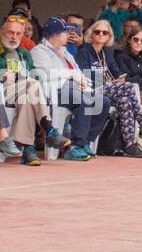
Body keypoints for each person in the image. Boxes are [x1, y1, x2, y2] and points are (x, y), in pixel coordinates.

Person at [77, 20, 142, 157]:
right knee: (128, 87)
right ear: (91, 34)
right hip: (89, 89)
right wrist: (112, 81)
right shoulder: (85, 50)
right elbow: (85, 75)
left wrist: (120, 79)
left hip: (106, 90)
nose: (100, 34)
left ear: (109, 36)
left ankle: (130, 145)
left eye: (104, 32)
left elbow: (117, 73)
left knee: (125, 100)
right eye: (97, 32)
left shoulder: (107, 51)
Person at [30, 17, 107, 161]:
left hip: (73, 88)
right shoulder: (39, 51)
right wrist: (72, 76)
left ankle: (86, 142)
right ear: (54, 35)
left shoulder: (64, 51)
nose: (69, 35)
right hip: (55, 91)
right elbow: (45, 74)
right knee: (85, 101)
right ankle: (75, 147)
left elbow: (76, 70)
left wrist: (83, 80)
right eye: (65, 32)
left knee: (104, 102)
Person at [0, 15, 68, 165]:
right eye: (10, 32)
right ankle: (49, 129)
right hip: (2, 93)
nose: (14, 37)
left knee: (28, 98)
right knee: (32, 85)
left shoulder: (24, 53)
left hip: (22, 91)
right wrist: (3, 74)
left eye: (18, 34)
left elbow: (35, 75)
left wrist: (23, 76)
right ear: (1, 31)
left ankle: (28, 150)